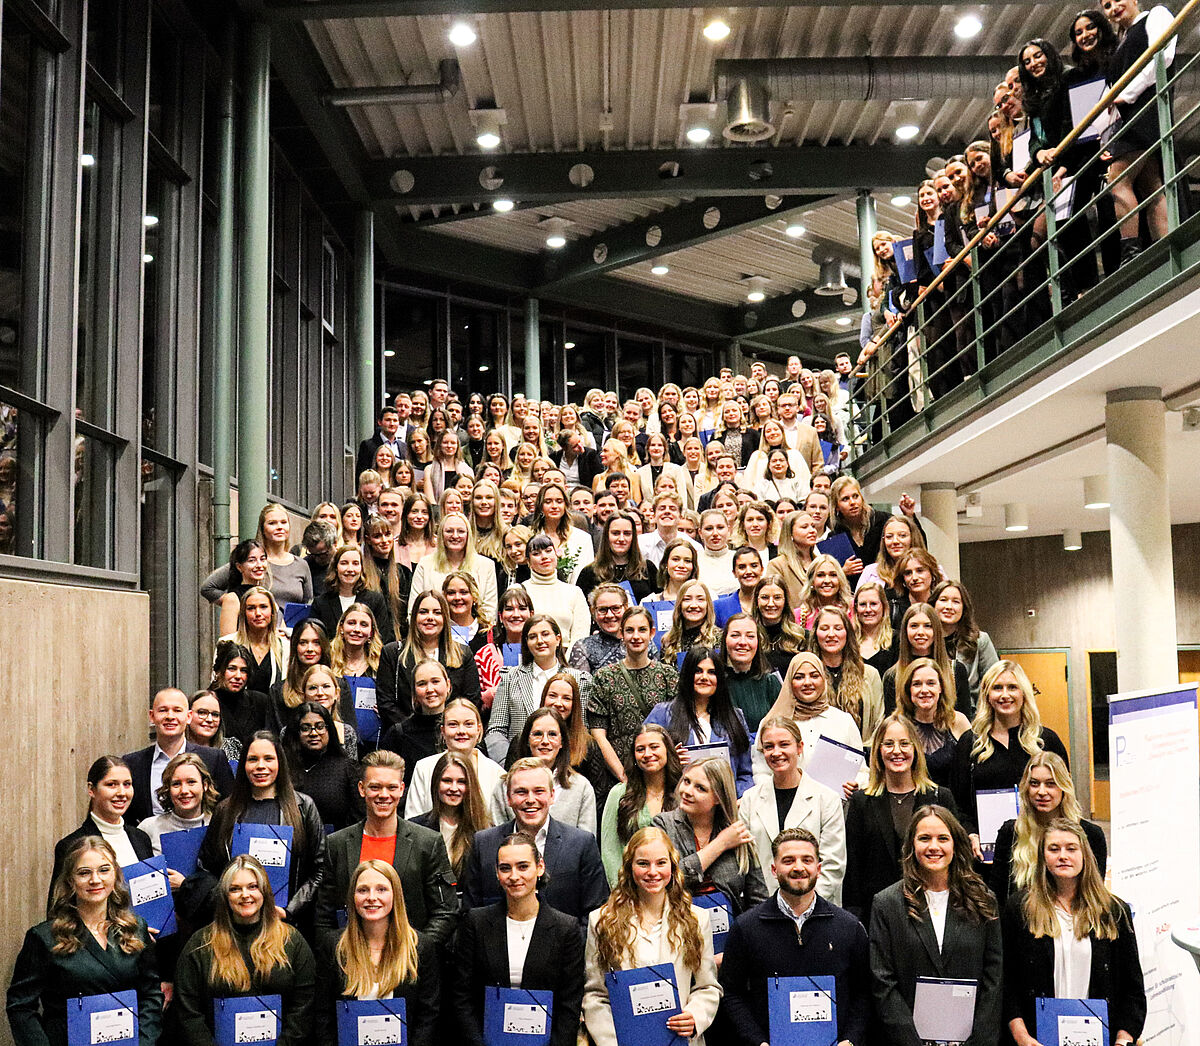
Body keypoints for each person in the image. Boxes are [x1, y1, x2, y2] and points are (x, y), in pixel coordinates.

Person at [718, 828, 872, 1046]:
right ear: (774, 869)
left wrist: (850, 1040)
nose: (798, 868)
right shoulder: (746, 927)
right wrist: (757, 1042)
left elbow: (864, 993)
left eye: (806, 860)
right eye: (788, 860)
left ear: (818, 869)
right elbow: (732, 994)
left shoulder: (849, 927)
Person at [1001, 818, 1145, 1046]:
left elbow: (1132, 988)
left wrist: (1123, 1039)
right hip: (1036, 1039)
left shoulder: (1114, 911)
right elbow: (1008, 983)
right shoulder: (1019, 909)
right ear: (1042, 857)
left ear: (1085, 855)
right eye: (1054, 849)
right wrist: (1022, 1037)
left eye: (1071, 848)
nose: (1063, 856)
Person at [869, 805, 1003, 1046]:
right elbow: (883, 981)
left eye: (943, 838)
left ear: (955, 844)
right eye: (924, 838)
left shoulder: (983, 900)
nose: (934, 847)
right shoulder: (887, 903)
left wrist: (978, 1041)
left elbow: (994, 978)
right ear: (911, 845)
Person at [9, 838, 162, 1046]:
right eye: (84, 873)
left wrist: (143, 1042)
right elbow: (21, 1007)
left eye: (104, 870)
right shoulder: (43, 937)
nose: (95, 880)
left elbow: (151, 995)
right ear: (70, 880)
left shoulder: (136, 929)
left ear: (115, 873)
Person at [582, 826, 722, 1045]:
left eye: (661, 863)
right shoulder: (601, 920)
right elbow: (595, 995)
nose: (653, 872)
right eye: (643, 863)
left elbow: (707, 987)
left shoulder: (697, 919)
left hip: (679, 1040)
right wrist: (613, 1042)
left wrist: (695, 1016)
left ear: (673, 866)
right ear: (629, 867)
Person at [453, 832, 586, 1046]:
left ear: (539, 868)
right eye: (505, 868)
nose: (514, 876)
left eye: (523, 866)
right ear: (497, 873)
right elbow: (462, 998)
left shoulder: (566, 929)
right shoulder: (475, 923)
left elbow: (569, 1006)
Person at [316, 750, 459, 946]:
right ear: (361, 788)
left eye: (391, 787)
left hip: (410, 963)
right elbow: (324, 915)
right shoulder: (337, 844)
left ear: (401, 789)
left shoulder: (427, 843)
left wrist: (414, 952)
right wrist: (340, 952)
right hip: (352, 962)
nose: (384, 795)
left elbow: (446, 911)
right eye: (375, 787)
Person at [174, 855, 315, 1046]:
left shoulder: (292, 940)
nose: (245, 895)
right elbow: (189, 1013)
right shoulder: (200, 944)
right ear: (225, 895)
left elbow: (303, 1007)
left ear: (264, 891)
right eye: (235, 889)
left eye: (253, 887)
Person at [462, 759, 608, 923]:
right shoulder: (484, 844)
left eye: (539, 791)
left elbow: (595, 914)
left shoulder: (581, 844)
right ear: (508, 798)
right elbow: (471, 914)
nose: (530, 799)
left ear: (552, 796)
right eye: (521, 792)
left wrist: (569, 946)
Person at [843, 713, 958, 924]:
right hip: (877, 916)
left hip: (932, 912)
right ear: (878, 750)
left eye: (904, 743)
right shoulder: (861, 802)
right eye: (888, 744)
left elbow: (956, 861)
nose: (897, 751)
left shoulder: (941, 797)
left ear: (916, 749)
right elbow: (853, 871)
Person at [314, 860, 439, 1045]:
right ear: (352, 897)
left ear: (395, 895)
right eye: (363, 890)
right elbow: (323, 1016)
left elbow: (428, 1016)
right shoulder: (333, 946)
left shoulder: (420, 947)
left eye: (381, 889)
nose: (371, 897)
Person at [953, 660, 1070, 857]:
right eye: (997, 688)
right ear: (987, 695)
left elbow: (1064, 795)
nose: (1005, 695)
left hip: (1039, 846)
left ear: (1023, 693)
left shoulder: (1046, 741)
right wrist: (970, 833)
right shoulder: (969, 743)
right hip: (986, 852)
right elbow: (958, 802)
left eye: (1012, 688)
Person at [738, 716, 845, 901]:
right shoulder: (749, 800)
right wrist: (773, 909)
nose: (776, 752)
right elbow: (746, 862)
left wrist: (803, 907)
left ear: (799, 747)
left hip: (817, 908)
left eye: (784, 744)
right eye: (769, 746)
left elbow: (832, 866)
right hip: (764, 908)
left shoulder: (827, 799)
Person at [653, 757, 768, 922]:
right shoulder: (663, 825)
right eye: (686, 781)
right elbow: (669, 880)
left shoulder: (737, 832)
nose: (687, 791)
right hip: (677, 928)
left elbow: (759, 899)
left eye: (700, 788)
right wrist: (720, 844)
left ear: (718, 798)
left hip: (731, 934)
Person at [990, 751, 1107, 907]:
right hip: (1021, 923)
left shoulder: (1091, 835)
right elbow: (998, 894)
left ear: (1064, 787)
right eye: (1034, 783)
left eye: (1051, 784)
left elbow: (1095, 894)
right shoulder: (1010, 833)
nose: (1042, 792)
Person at [644, 645, 754, 796]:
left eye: (712, 672)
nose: (704, 677)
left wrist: (738, 798)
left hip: (725, 808)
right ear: (687, 675)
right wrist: (668, 762)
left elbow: (746, 773)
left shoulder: (735, 717)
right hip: (677, 805)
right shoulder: (662, 714)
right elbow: (641, 761)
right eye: (698, 671)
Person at [588, 606, 680, 785]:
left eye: (642, 630)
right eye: (629, 630)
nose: (636, 636)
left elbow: (676, 728)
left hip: (663, 775)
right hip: (620, 775)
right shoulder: (605, 677)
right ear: (621, 634)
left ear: (652, 633)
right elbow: (598, 734)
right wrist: (623, 776)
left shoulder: (667, 675)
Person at [486, 614, 591, 763]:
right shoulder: (510, 678)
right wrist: (509, 762)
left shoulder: (579, 680)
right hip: (518, 765)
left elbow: (582, 730)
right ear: (526, 643)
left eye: (545, 634)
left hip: (567, 766)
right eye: (532, 636)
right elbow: (496, 730)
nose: (540, 641)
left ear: (558, 638)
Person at [754, 653, 864, 794]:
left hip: (837, 807)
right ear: (789, 681)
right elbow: (760, 773)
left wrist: (856, 784)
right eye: (799, 677)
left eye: (814, 676)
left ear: (824, 679)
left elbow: (862, 771)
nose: (807, 682)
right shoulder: (772, 722)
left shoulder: (843, 721)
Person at [123, 687, 235, 824]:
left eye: (177, 710)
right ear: (152, 716)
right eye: (163, 710)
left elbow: (228, 807)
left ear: (188, 717)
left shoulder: (213, 759)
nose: (170, 716)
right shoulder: (132, 763)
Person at [50, 757, 153, 898]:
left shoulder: (141, 838)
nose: (122, 793)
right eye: (112, 785)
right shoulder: (70, 845)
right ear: (91, 789)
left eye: (127, 784)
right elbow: (58, 909)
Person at [377, 590, 482, 727]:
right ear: (414, 616)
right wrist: (414, 730)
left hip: (451, 735)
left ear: (445, 618)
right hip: (406, 737)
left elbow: (471, 701)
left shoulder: (463, 653)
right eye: (423, 612)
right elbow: (386, 704)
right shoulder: (392, 653)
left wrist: (447, 729)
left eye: (437, 613)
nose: (430, 617)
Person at [600, 724, 682, 885]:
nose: (647, 754)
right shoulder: (619, 793)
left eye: (654, 747)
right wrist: (622, 892)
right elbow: (610, 851)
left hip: (677, 889)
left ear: (667, 750)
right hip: (631, 890)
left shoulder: (683, 791)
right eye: (640, 749)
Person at [404, 697, 506, 822]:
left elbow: (500, 827)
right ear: (443, 731)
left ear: (479, 729)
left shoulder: (497, 774)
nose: (461, 731)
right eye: (453, 724)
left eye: (468, 724)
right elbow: (413, 823)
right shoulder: (424, 768)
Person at [502, 707, 598, 834]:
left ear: (562, 742)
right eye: (537, 734)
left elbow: (586, 844)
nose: (545, 741)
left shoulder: (582, 787)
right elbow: (497, 838)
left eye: (552, 734)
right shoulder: (504, 785)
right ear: (526, 740)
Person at [408, 751, 495, 887]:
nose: (454, 788)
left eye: (461, 782)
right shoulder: (415, 828)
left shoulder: (485, 830)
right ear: (436, 782)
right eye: (447, 781)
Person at [809, 605, 884, 745]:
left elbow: (879, 723)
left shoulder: (869, 674)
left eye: (838, 628)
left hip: (863, 757)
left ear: (847, 634)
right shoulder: (807, 676)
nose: (831, 634)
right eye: (824, 629)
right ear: (815, 634)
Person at [283, 702, 363, 831]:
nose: (314, 733)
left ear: (329, 730)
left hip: (334, 844)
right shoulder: (282, 768)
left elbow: (358, 821)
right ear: (296, 732)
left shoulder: (347, 768)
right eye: (305, 728)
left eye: (320, 727)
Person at [882, 603, 972, 717]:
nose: (920, 632)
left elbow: (965, 720)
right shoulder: (892, 676)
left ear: (936, 630)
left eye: (928, 626)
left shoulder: (955, 671)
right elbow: (892, 724)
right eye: (914, 626)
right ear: (905, 631)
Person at [897, 658, 972, 789]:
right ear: (908, 689)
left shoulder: (959, 722)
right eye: (917, 684)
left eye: (931, 683)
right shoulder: (897, 725)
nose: (924, 690)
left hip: (953, 805)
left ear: (941, 687)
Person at [409, 511, 498, 621]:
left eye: (460, 531)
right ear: (441, 535)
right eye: (449, 531)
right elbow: (413, 610)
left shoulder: (486, 565)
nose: (455, 536)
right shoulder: (425, 564)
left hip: (475, 634)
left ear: (468, 535)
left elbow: (489, 611)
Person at [137, 751, 218, 857]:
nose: (184, 790)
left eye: (191, 782)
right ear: (168, 789)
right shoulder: (149, 828)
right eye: (176, 784)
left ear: (205, 785)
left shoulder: (218, 826)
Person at [310, 544, 393, 646]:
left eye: (355, 563)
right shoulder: (321, 603)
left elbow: (383, 638)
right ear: (336, 567)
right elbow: (317, 640)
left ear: (361, 568)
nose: (350, 569)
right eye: (344, 563)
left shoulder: (376, 600)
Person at [933, 580, 999, 705]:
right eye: (943, 600)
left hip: (972, 714)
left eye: (956, 602)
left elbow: (994, 681)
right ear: (933, 604)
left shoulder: (980, 640)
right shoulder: (924, 641)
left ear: (964, 607)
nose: (949, 606)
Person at [520, 533, 591, 647]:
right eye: (536, 554)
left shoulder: (574, 592)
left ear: (556, 554)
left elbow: (581, 635)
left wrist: (567, 662)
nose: (544, 556)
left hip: (568, 657)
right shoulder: (520, 591)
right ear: (528, 562)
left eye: (548, 551)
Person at [719, 613, 781, 733]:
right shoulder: (714, 683)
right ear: (725, 640)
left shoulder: (770, 683)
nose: (743, 642)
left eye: (750, 636)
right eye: (735, 635)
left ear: (758, 642)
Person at [576, 512, 653, 602]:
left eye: (627, 533)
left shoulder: (647, 568)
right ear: (606, 536)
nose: (621, 539)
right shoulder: (589, 573)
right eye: (615, 533)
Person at [569, 583, 634, 674]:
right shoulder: (583, 647)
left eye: (615, 608)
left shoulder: (641, 641)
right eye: (602, 610)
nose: (609, 615)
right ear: (593, 611)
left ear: (626, 608)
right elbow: (579, 686)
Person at [751, 575, 806, 674]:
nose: (771, 603)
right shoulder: (749, 638)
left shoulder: (802, 637)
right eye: (765, 597)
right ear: (756, 601)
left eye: (777, 598)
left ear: (785, 601)